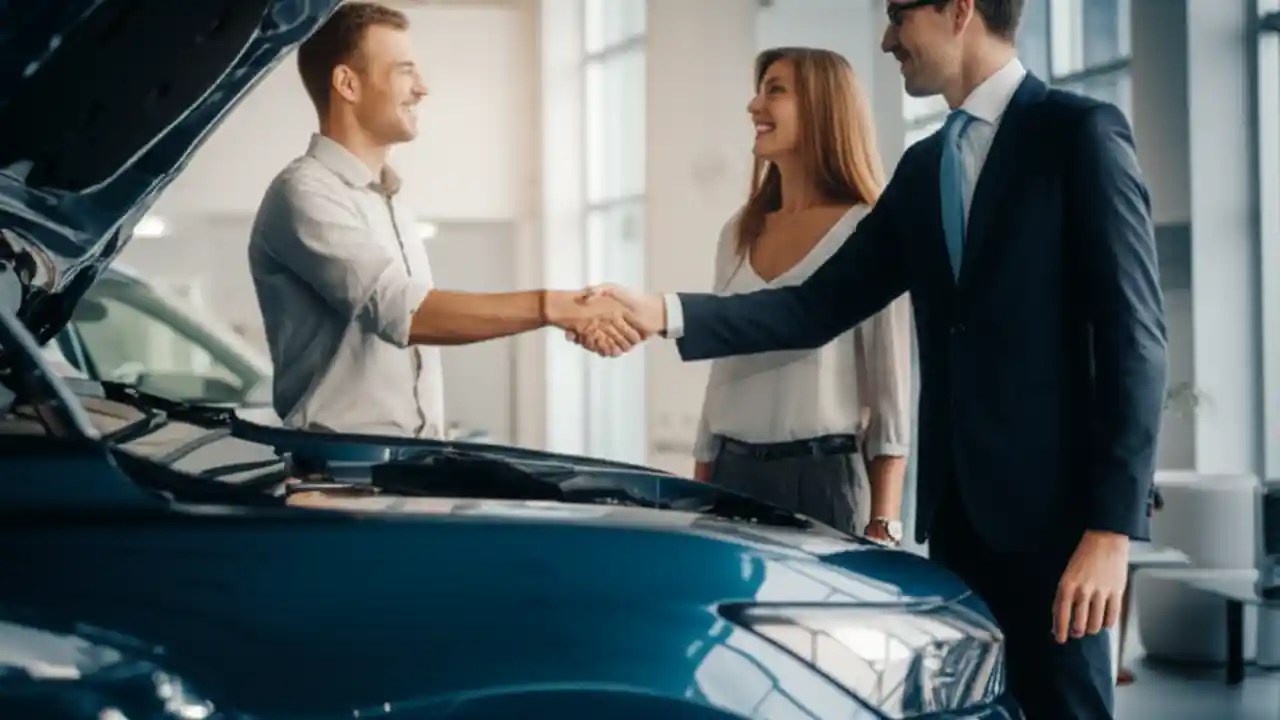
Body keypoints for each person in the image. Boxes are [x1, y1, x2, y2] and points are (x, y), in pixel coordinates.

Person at [577, 0, 1168, 717]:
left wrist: (1110, 531)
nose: (887, 39)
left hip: (1059, 529)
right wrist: (661, 312)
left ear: (958, 11)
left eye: (897, 15)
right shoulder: (924, 168)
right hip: (957, 523)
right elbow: (815, 305)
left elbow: (1135, 336)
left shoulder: (1077, 134)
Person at [249, 2, 637, 437]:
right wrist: (554, 307)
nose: (423, 89)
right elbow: (406, 313)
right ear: (347, 84)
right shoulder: (305, 192)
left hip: (407, 462)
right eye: (405, 71)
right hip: (338, 473)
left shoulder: (391, 201)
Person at [692, 47, 913, 545]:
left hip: (823, 483)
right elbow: (719, 376)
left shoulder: (869, 231)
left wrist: (884, 525)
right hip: (731, 476)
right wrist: (700, 488)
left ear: (821, 107)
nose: (754, 105)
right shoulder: (737, 232)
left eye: (775, 90)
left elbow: (891, 400)